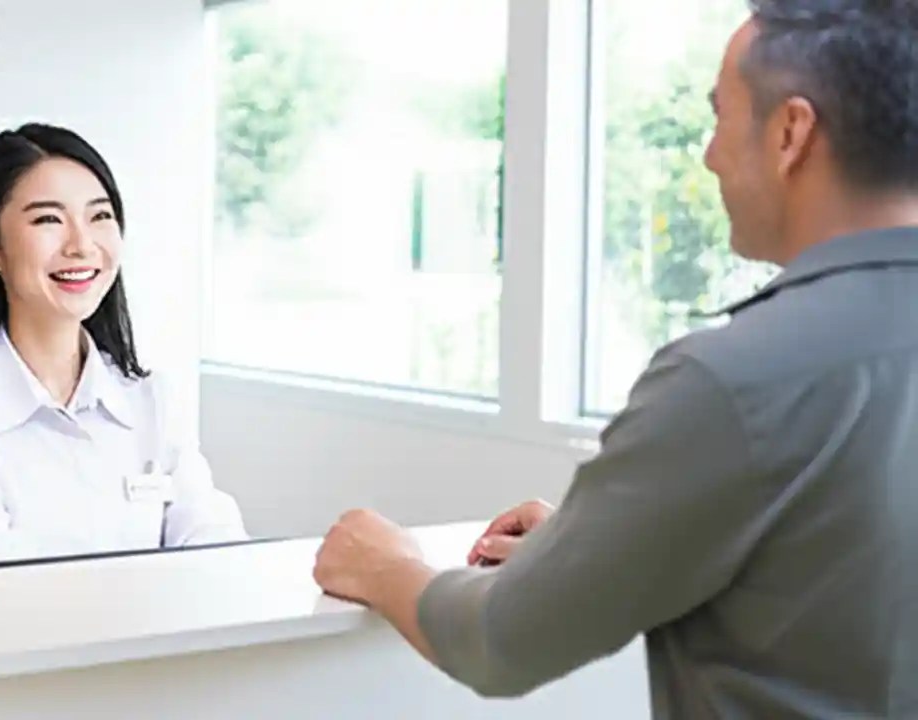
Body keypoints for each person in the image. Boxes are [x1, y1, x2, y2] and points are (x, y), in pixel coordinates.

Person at [312, 1, 918, 716]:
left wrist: (386, 567)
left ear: (790, 132)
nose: (710, 154)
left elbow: (500, 642)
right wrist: (595, 542)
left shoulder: (730, 379)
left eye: (720, 116)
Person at [0, 123, 246, 566]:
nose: (82, 245)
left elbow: (217, 548)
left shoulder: (151, 398)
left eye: (100, 216)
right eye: (48, 220)